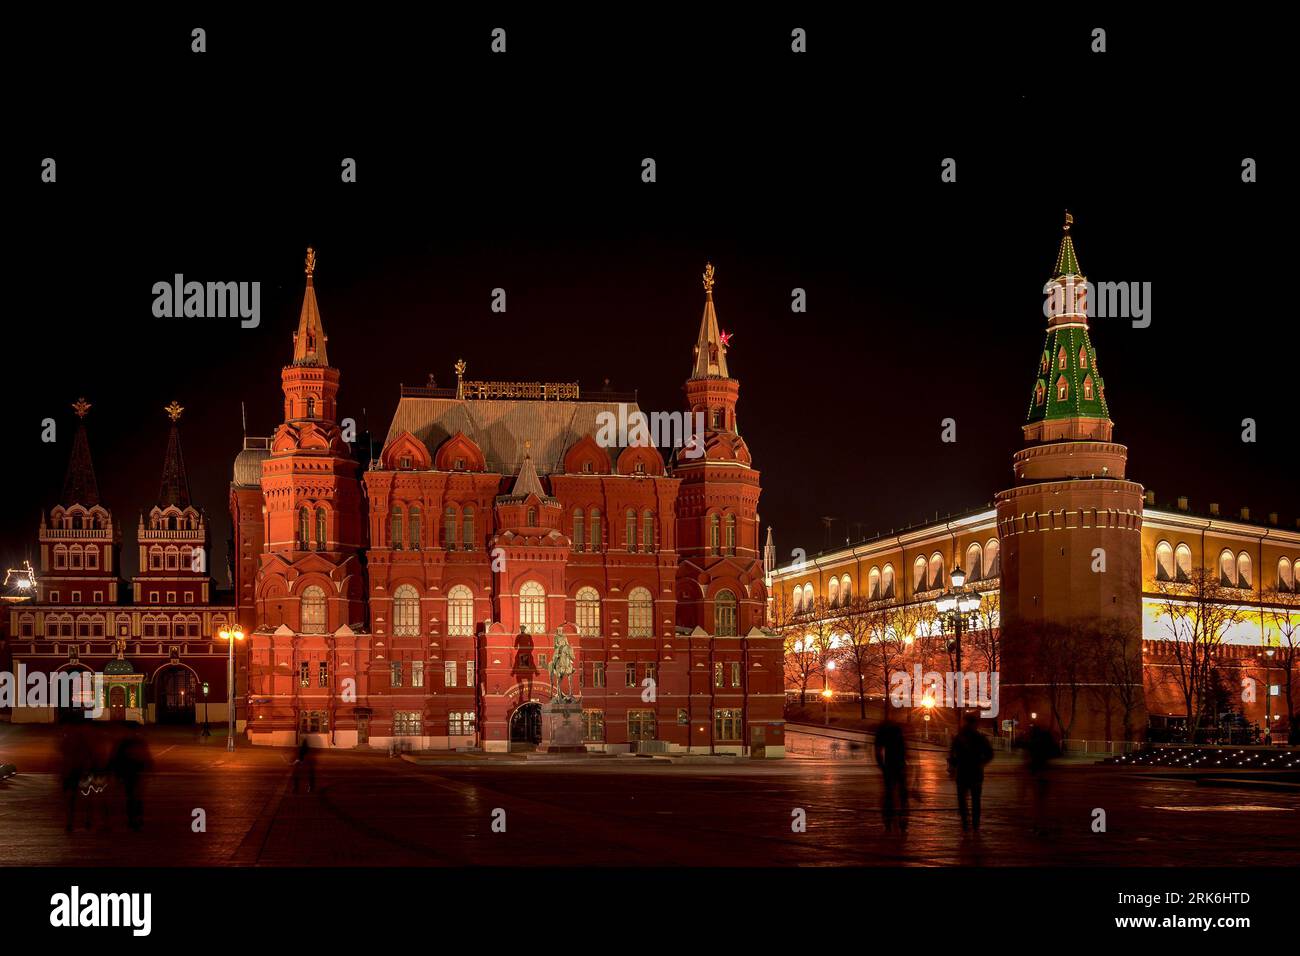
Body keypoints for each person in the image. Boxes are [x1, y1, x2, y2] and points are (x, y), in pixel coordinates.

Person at [948, 713, 993, 833]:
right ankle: (975, 824)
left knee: (962, 800)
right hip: (976, 773)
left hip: (962, 772)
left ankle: (965, 824)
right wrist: (981, 763)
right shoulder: (980, 738)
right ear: (975, 724)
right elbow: (990, 754)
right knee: (976, 800)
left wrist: (953, 767)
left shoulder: (959, 737)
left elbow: (952, 755)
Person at [109, 730, 153, 832]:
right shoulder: (135, 742)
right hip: (134, 773)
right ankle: (137, 818)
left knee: (132, 796)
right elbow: (146, 756)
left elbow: (115, 757)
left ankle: (133, 818)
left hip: (130, 773)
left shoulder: (125, 742)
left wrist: (115, 772)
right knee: (136, 796)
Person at [873, 710, 909, 833]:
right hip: (898, 764)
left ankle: (889, 818)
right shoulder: (897, 729)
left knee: (890, 792)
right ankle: (901, 818)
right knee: (901, 792)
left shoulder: (883, 730)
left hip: (890, 765)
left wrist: (881, 765)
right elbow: (904, 747)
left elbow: (878, 750)